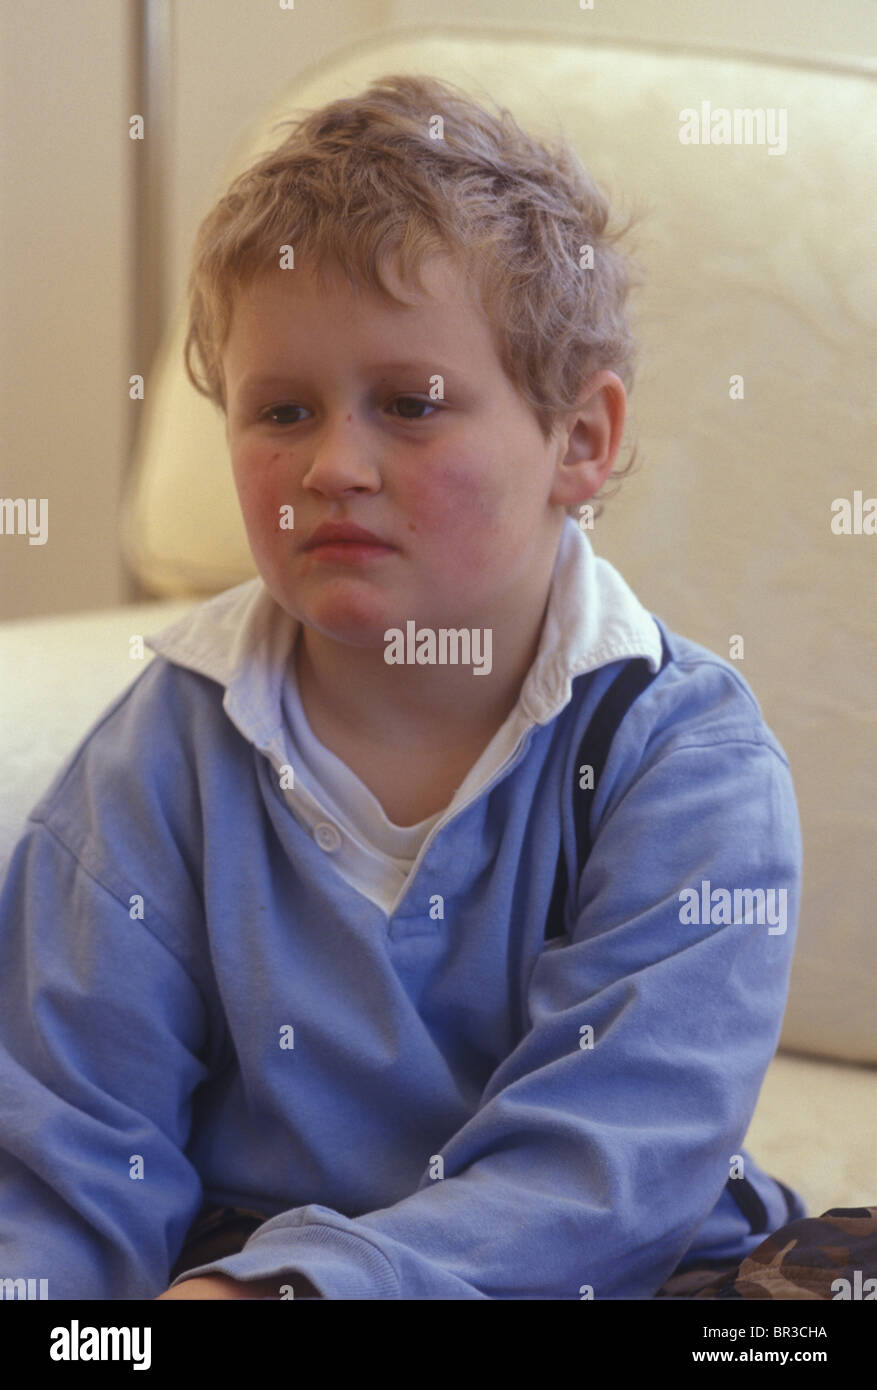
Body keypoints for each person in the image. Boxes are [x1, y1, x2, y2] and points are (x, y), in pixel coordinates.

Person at [0, 73, 809, 1300]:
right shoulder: (161, 751)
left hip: (593, 1267)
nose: (332, 465)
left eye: (410, 405)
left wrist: (314, 1289)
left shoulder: (680, 758)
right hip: (238, 1260)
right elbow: (64, 1149)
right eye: (282, 409)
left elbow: (612, 1165)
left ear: (579, 441)